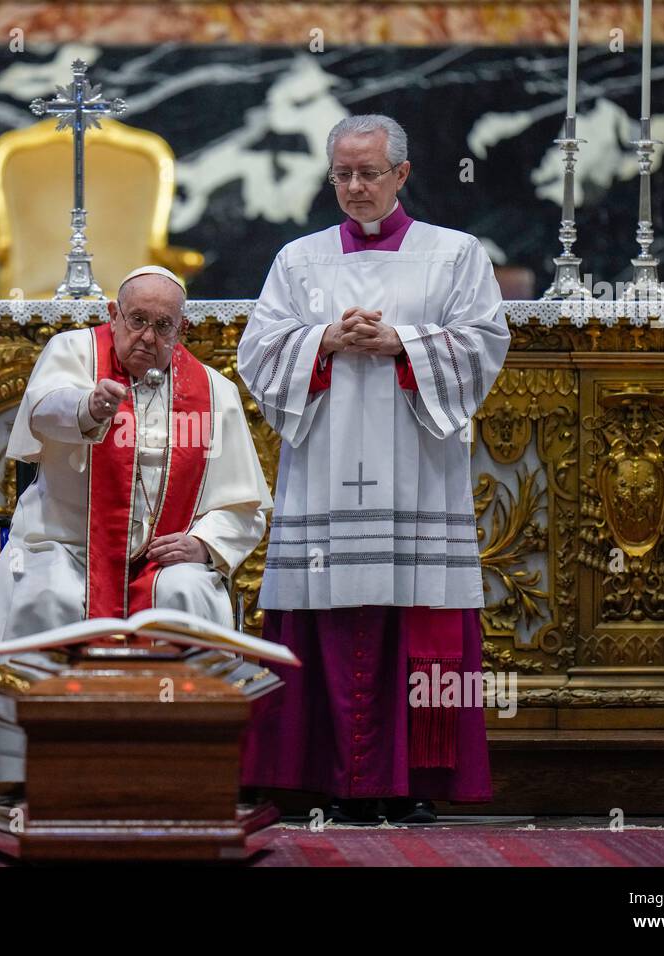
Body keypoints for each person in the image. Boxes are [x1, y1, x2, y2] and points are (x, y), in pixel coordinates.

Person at [237, 114, 510, 825]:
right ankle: (314, 776)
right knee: (321, 619)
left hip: (418, 469)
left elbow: (484, 342)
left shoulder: (455, 255)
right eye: (343, 175)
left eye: (369, 173)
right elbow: (257, 353)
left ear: (402, 175)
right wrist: (323, 339)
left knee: (415, 621)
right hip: (326, 470)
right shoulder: (299, 260)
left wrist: (403, 342)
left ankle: (412, 780)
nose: (355, 187)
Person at [0, 265, 272, 640]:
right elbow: (43, 411)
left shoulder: (216, 392)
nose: (147, 337)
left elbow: (244, 506)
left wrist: (203, 544)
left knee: (184, 594)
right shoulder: (73, 351)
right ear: (113, 315)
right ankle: (48, 701)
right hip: (65, 545)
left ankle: (176, 700)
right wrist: (88, 408)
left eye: (163, 326)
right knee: (49, 595)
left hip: (164, 560)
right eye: (137, 320)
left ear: (181, 330)